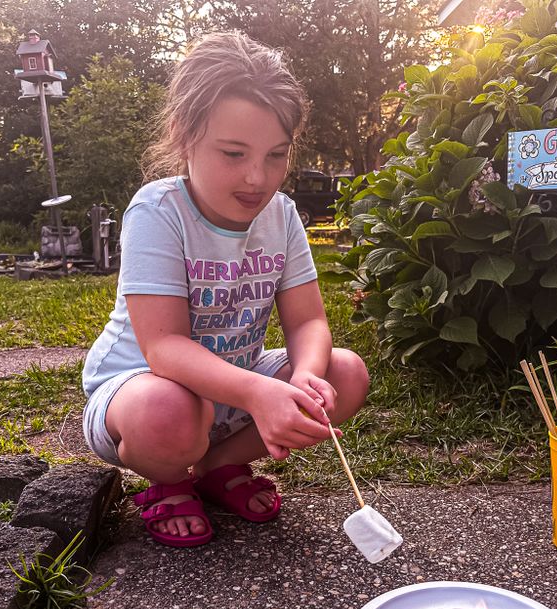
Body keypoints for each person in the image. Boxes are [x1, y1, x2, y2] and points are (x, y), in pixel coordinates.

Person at [81, 31, 370, 548]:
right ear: (184, 134)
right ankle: (168, 480)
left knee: (344, 372)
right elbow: (164, 347)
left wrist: (303, 377)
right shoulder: (158, 211)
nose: (257, 178)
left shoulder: (280, 214)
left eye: (276, 155)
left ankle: (215, 467)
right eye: (233, 153)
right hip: (144, 392)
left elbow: (307, 320)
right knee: (168, 412)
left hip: (234, 389)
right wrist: (260, 392)